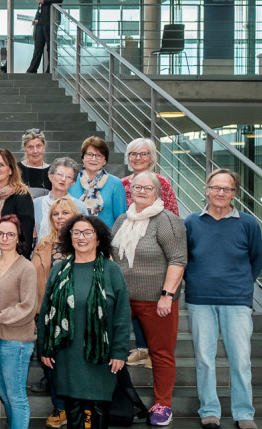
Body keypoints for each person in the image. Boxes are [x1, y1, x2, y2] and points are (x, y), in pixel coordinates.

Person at [185, 169, 262, 429]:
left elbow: (256, 260)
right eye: (215, 187)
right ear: (206, 189)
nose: (220, 193)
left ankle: (243, 413)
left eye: (227, 189)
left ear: (235, 193)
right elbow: (183, 260)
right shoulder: (191, 222)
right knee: (205, 359)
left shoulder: (248, 223)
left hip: (236, 300)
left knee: (241, 359)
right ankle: (209, 410)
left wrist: (240, 286)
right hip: (200, 299)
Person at [38, 215, 131, 429]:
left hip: (101, 357)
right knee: (74, 412)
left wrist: (119, 352)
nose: (82, 237)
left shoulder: (111, 270)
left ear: (98, 239)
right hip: (67, 356)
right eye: (76, 232)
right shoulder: (59, 270)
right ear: (69, 238)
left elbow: (122, 316)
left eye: (88, 232)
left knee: (99, 413)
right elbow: (45, 312)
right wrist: (44, 348)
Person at [111, 172, 187, 427]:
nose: (141, 191)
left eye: (148, 188)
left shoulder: (167, 220)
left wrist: (167, 295)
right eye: (137, 187)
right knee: (108, 347)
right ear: (130, 190)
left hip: (157, 301)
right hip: (123, 300)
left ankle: (162, 405)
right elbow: (111, 256)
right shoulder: (123, 219)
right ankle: (112, 400)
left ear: (157, 192)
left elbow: (178, 259)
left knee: (161, 353)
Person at [0, 216, 40, 429]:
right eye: (0, 234)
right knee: (5, 395)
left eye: (10, 234)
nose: (4, 238)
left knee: (16, 397)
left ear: (19, 238)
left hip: (15, 342)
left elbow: (27, 307)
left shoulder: (26, 267)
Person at [32, 197, 84, 428]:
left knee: (82, 364)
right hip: (51, 315)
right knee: (52, 363)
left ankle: (85, 410)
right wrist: (35, 314)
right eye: (56, 214)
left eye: (66, 212)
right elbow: (33, 282)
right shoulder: (43, 245)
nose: (61, 217)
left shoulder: (89, 242)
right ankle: (60, 408)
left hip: (83, 316)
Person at [0, 148, 36, 256]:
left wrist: (17, 261)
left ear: (11, 170)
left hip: (9, 259)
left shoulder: (21, 196)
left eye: (1, 165)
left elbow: (26, 236)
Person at [69, 136, 128, 227]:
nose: (93, 159)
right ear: (83, 158)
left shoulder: (115, 183)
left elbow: (121, 219)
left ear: (105, 161)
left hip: (106, 238)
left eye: (99, 156)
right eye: (89, 154)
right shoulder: (71, 181)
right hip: (77, 236)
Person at [122, 138, 180, 215]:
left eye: (144, 154)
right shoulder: (121, 184)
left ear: (151, 158)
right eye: (133, 154)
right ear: (129, 158)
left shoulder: (162, 182)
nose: (138, 158)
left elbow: (173, 214)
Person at [35, 158, 85, 245]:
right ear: (51, 176)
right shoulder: (36, 204)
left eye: (69, 177)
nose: (63, 179)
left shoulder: (79, 206)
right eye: (60, 174)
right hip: (41, 254)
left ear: (73, 182)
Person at [27, 0, 64, 74]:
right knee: (38, 46)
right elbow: (40, 5)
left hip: (51, 19)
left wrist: (44, 0)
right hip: (41, 20)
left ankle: (51, 70)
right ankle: (32, 70)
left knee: (50, 46)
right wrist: (36, 17)